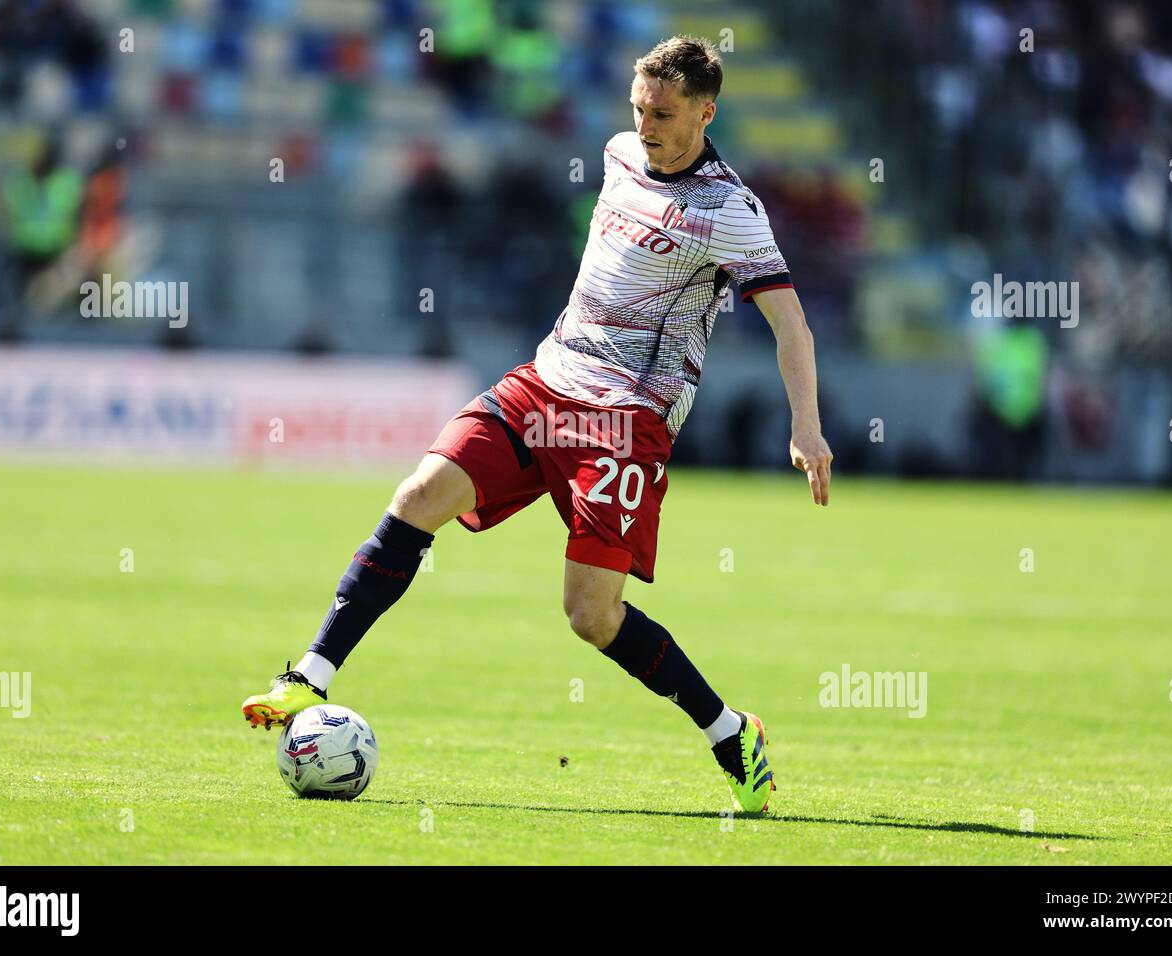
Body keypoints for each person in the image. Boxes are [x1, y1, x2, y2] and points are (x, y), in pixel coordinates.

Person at [242, 36, 833, 814]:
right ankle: (306, 678)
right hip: (547, 382)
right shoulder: (621, 154)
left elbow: (791, 324)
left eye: (663, 113)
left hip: (626, 421)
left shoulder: (731, 212)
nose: (645, 125)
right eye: (638, 108)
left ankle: (731, 734)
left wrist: (807, 426)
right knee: (420, 494)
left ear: (705, 112)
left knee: (592, 616)